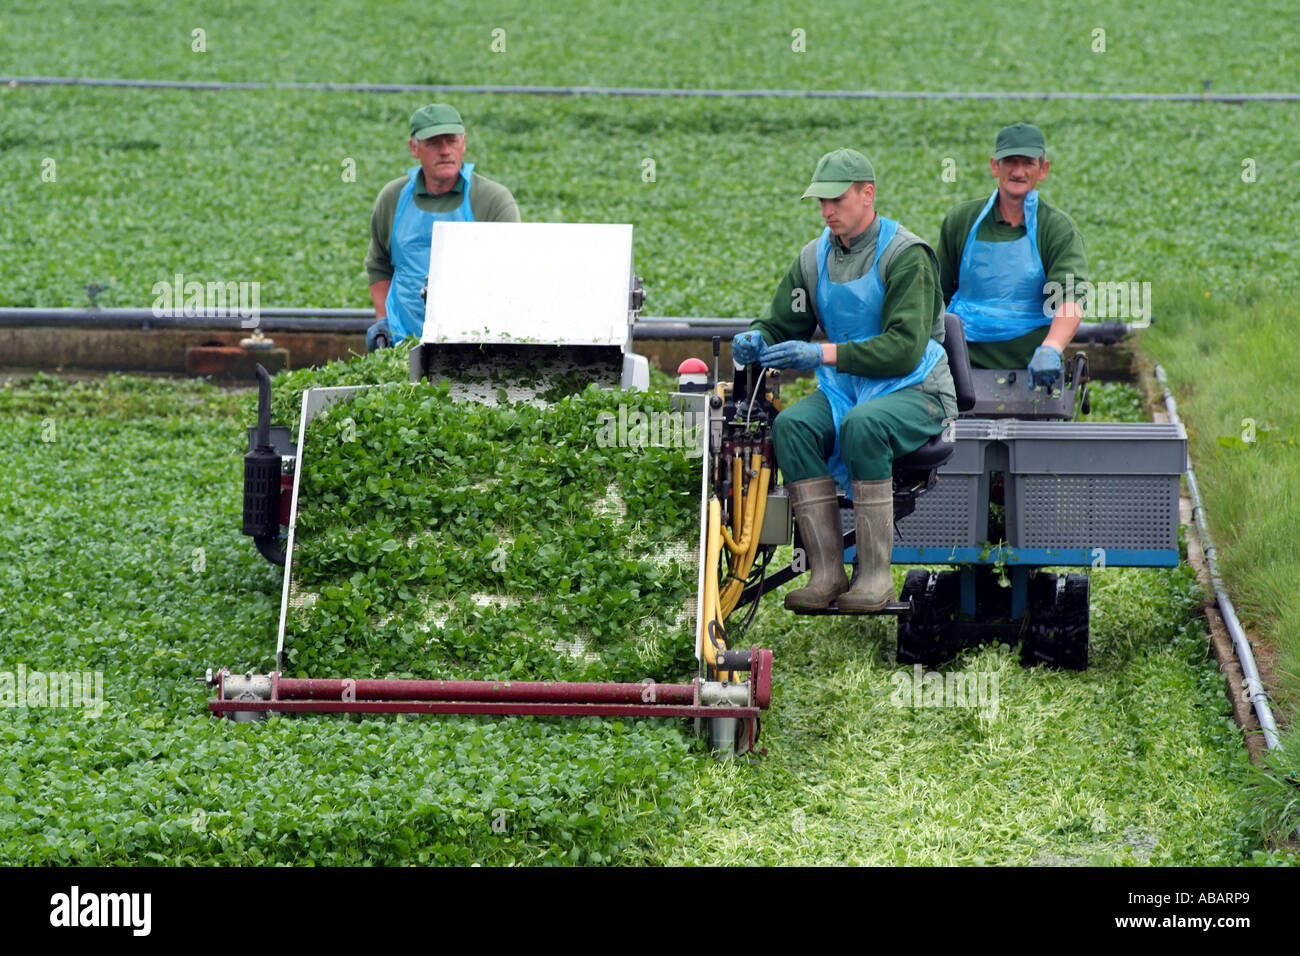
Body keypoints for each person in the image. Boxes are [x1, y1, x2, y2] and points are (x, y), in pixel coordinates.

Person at [733, 149, 957, 613]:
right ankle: (827, 573)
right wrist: (758, 336)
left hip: (915, 389)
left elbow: (903, 349)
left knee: (863, 424)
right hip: (847, 390)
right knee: (792, 425)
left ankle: (875, 577)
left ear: (867, 194)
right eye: (820, 203)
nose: (826, 211)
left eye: (835, 200)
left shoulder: (907, 256)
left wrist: (821, 353)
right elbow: (784, 321)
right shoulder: (814, 259)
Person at [937, 122, 1087, 388]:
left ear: (1043, 170)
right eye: (1010, 162)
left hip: (1033, 372)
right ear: (995, 166)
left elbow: (1071, 297)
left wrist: (1051, 348)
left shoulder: (1056, 228)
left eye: (1028, 163)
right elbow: (936, 295)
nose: (1018, 172)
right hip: (962, 372)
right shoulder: (961, 221)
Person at [364, 104, 520, 349]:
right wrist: (383, 321)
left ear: (464, 143)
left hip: (475, 344)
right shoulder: (393, 198)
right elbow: (379, 265)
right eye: (434, 143)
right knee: (406, 389)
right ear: (414, 148)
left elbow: (512, 273)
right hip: (402, 342)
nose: (445, 151)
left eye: (452, 141)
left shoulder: (492, 200)